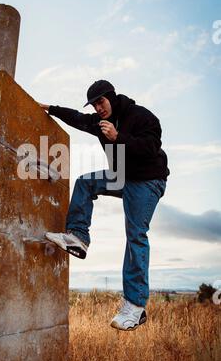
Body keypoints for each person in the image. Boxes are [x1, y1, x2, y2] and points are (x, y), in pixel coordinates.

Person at [38, 80, 170, 331]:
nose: (98, 108)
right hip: (123, 177)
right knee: (85, 183)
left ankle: (135, 306)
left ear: (111, 97)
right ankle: (78, 235)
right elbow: (77, 118)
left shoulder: (141, 116)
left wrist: (119, 137)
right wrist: (52, 109)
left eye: (101, 102)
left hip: (148, 180)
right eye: (94, 104)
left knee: (136, 234)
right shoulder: (99, 123)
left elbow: (151, 148)